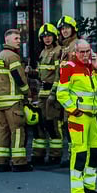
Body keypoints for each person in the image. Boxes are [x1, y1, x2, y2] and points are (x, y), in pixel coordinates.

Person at [57, 39, 97, 193]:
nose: (85, 55)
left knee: (94, 154)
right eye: (82, 52)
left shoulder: (90, 68)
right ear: (75, 52)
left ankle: (89, 189)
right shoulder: (69, 68)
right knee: (79, 154)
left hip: (92, 117)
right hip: (78, 117)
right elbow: (61, 93)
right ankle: (77, 192)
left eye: (88, 51)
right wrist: (73, 110)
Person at [0, 29, 32, 173]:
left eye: (19, 38)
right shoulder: (13, 57)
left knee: (2, 132)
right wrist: (27, 93)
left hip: (2, 102)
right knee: (17, 131)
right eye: (16, 38)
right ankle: (19, 162)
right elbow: (19, 78)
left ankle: (2, 162)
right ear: (7, 40)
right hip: (13, 102)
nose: (19, 41)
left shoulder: (0, 56)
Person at [47, 15, 80, 168]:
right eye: (62, 29)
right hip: (67, 91)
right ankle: (73, 155)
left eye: (67, 28)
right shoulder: (66, 47)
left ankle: (76, 156)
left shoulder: (76, 45)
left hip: (75, 92)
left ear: (73, 29)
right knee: (68, 126)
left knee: (73, 125)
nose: (64, 31)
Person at [32, 23, 62, 166]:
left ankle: (55, 155)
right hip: (42, 92)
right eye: (44, 37)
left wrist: (54, 93)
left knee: (53, 124)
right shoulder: (43, 52)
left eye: (49, 36)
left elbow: (58, 74)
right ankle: (39, 154)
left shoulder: (58, 51)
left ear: (54, 37)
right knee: (41, 123)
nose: (47, 39)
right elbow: (40, 73)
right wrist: (31, 72)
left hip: (51, 93)